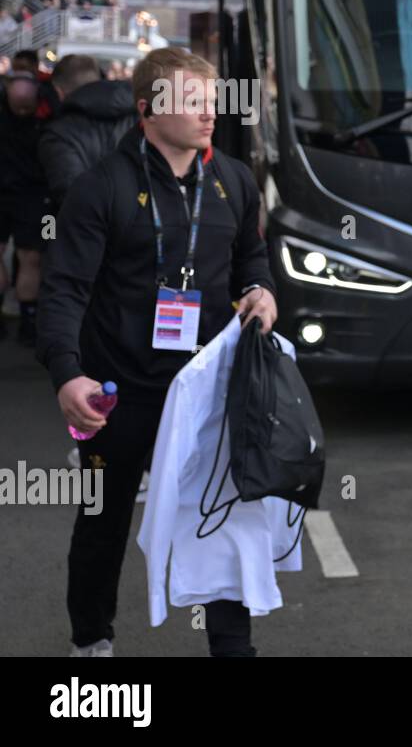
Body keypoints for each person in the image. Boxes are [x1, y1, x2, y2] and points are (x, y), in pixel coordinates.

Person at [36, 48, 278, 657]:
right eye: (192, 102)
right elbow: (64, 290)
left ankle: (232, 648)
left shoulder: (233, 179)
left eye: (212, 102)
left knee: (224, 517)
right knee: (103, 521)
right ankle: (91, 641)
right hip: (119, 391)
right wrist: (68, 375)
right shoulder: (101, 188)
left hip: (207, 388)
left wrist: (260, 290)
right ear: (148, 110)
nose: (208, 115)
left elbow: (251, 256)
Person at [38, 54, 136, 212]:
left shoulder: (58, 134)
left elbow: (71, 195)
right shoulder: (140, 117)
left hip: (84, 230)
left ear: (59, 91)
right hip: (140, 227)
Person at [0, 70, 55, 344]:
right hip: (33, 196)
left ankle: (21, 319)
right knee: (30, 259)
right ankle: (28, 321)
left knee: (29, 258)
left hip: (24, 195)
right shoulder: (46, 117)